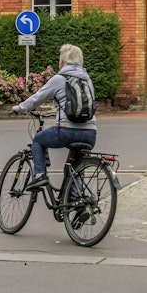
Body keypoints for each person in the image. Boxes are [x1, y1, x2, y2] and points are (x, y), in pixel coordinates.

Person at [11, 43, 96, 189]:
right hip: (90, 133)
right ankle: (79, 204)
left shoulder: (59, 79)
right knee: (74, 169)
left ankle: (40, 175)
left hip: (66, 131)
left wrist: (19, 108)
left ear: (62, 62)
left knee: (38, 140)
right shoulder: (87, 79)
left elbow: (37, 98)